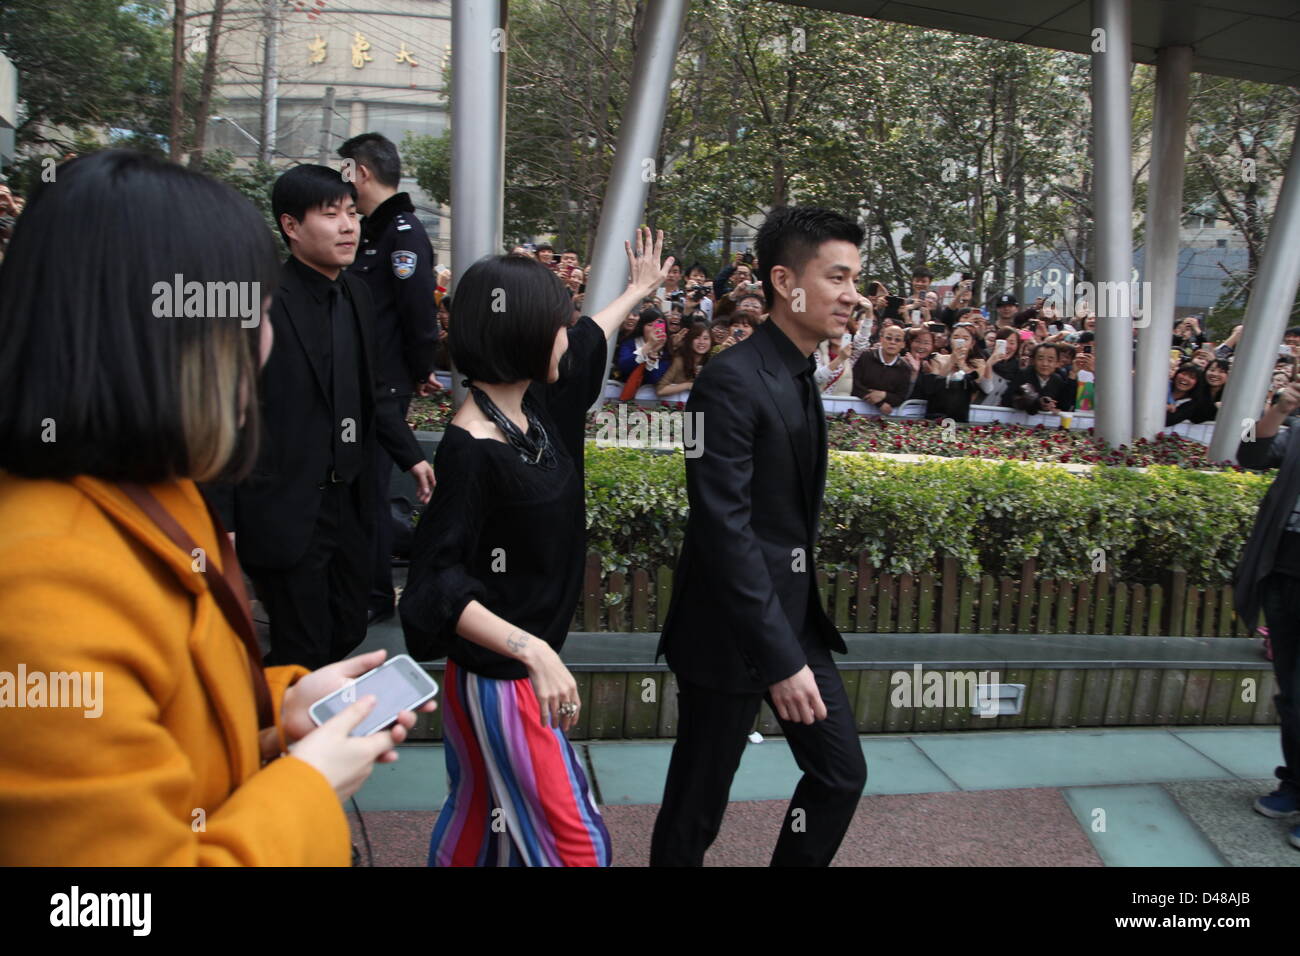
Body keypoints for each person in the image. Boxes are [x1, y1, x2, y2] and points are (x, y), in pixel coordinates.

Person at [0, 149, 434, 865]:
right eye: (254, 312)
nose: (264, 345)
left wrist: (275, 711)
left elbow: (163, 725)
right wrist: (307, 785)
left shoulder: (153, 487)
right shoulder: (40, 586)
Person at [400, 228, 672, 866]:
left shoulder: (531, 402)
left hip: (496, 679)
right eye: (557, 322)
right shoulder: (472, 450)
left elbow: (588, 340)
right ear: (520, 333)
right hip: (505, 682)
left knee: (476, 827)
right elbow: (432, 586)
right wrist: (534, 651)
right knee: (579, 846)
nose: (568, 334)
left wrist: (637, 290)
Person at [651, 206, 868, 867]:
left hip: (791, 618)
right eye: (837, 277)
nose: (853, 295)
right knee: (697, 810)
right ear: (784, 280)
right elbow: (724, 529)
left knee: (840, 774)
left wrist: (789, 644)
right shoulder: (725, 382)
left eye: (856, 278)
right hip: (725, 629)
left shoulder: (801, 372)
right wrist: (779, 660)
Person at [207, 165, 435, 671]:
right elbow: (227, 411)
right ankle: (280, 736)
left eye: (352, 213)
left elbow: (372, 389)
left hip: (349, 502)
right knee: (302, 644)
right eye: (330, 215)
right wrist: (223, 519)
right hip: (282, 505)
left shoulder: (357, 292)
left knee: (349, 625)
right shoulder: (259, 299)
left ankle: (285, 722)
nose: (348, 226)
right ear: (291, 226)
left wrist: (410, 456)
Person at [337, 132, 441, 626]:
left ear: (360, 172)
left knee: (373, 492)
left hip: (386, 384)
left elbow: (417, 310)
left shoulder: (403, 232)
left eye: (342, 172)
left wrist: (421, 369)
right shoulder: (374, 231)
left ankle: (376, 596)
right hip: (365, 382)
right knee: (359, 490)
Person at [1233, 379, 1300, 852]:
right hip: (1285, 572)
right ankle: (1293, 784)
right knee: (1292, 694)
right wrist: (1278, 410)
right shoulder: (1295, 427)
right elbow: (1251, 455)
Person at [851, 324, 910, 414]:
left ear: (903, 345)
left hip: (884, 416)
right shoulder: (866, 356)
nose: (892, 342)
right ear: (881, 339)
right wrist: (879, 403)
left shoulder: (904, 368)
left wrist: (884, 395)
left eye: (897, 340)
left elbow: (900, 397)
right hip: (856, 409)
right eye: (888, 338)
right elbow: (855, 383)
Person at [657, 320, 712, 399]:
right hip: (675, 405)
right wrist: (687, 385)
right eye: (697, 338)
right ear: (690, 340)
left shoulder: (712, 361)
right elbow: (660, 390)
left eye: (706, 338)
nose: (701, 342)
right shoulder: (679, 360)